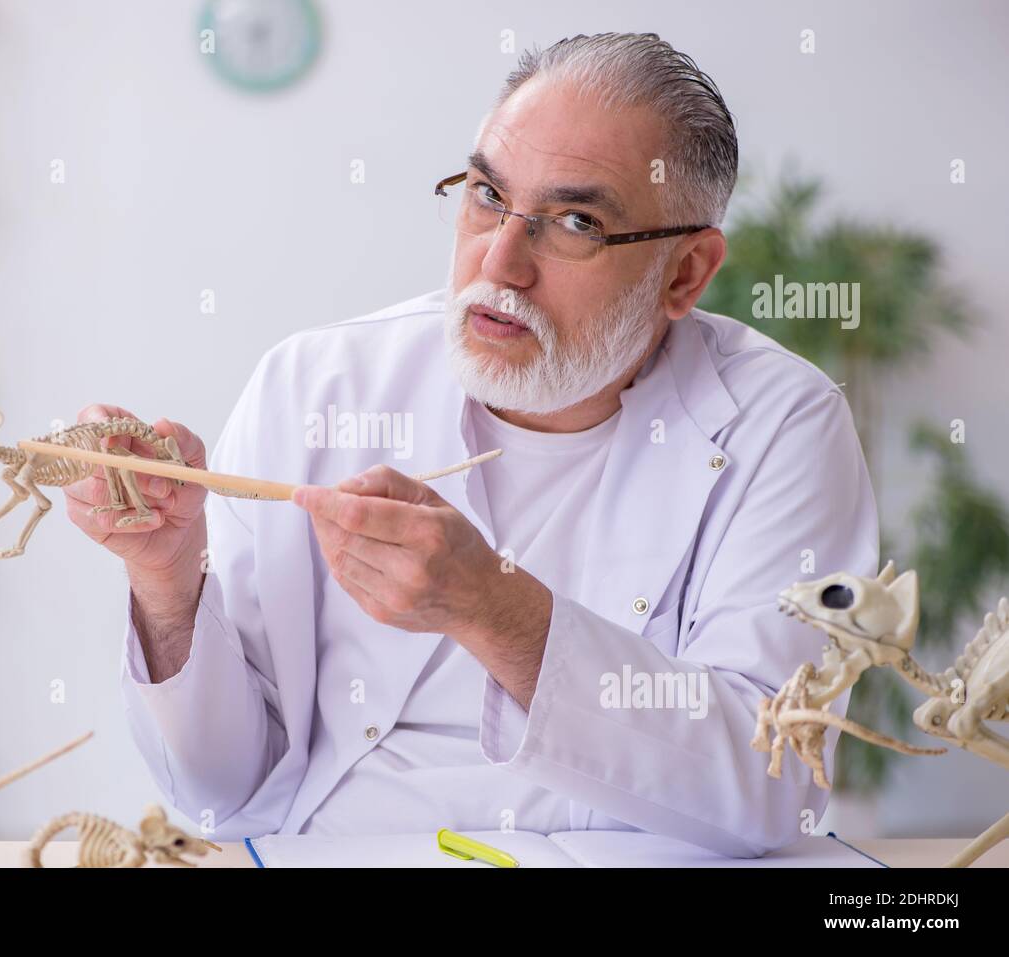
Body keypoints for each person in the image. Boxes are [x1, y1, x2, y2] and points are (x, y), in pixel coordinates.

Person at [67, 33, 877, 856]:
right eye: (488, 194)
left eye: (574, 222)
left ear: (685, 273)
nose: (499, 262)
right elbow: (219, 792)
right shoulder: (317, 385)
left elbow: (774, 777)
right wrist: (169, 582)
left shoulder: (780, 423)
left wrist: (493, 610)